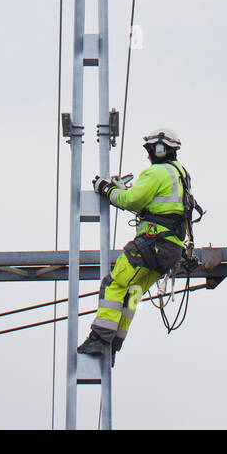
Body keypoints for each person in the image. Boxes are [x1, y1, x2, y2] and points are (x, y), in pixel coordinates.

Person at [77, 127, 196, 360]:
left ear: (160, 149)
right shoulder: (181, 173)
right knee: (133, 292)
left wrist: (107, 189)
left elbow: (131, 201)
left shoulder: (157, 173)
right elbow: (161, 206)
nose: (149, 154)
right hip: (169, 249)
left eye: (151, 149)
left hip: (152, 244)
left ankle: (100, 339)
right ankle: (114, 343)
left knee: (114, 284)